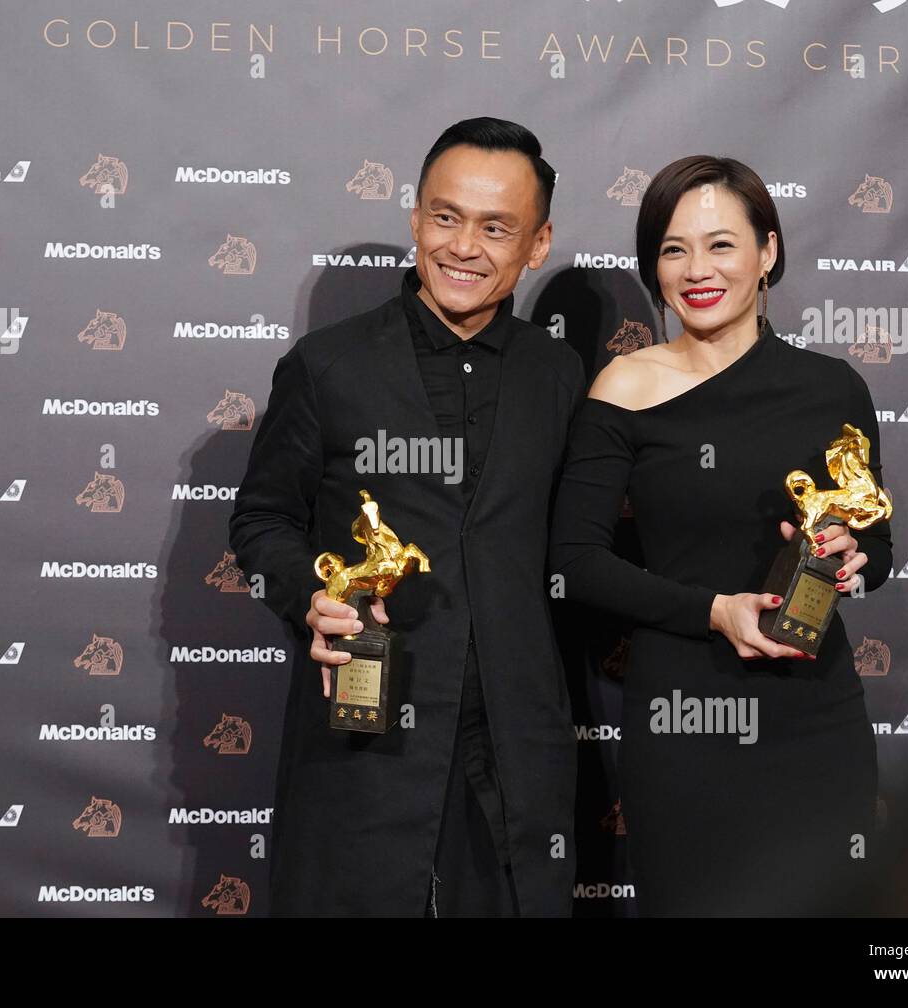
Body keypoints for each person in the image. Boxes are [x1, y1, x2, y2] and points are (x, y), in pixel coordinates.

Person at [229, 118, 585, 916]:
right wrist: (306, 594)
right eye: (445, 216)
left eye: (497, 228)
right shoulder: (327, 365)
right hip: (361, 732)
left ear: (538, 243)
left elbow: (583, 546)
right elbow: (260, 520)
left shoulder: (560, 376)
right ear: (415, 218)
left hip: (514, 743)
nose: (464, 246)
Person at [548, 155, 894, 916]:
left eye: (721, 244)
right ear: (653, 268)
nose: (697, 269)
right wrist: (715, 610)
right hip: (684, 723)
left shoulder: (833, 387)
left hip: (816, 718)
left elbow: (880, 549)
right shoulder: (625, 387)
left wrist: (851, 558)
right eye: (674, 249)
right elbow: (575, 563)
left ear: (767, 252)